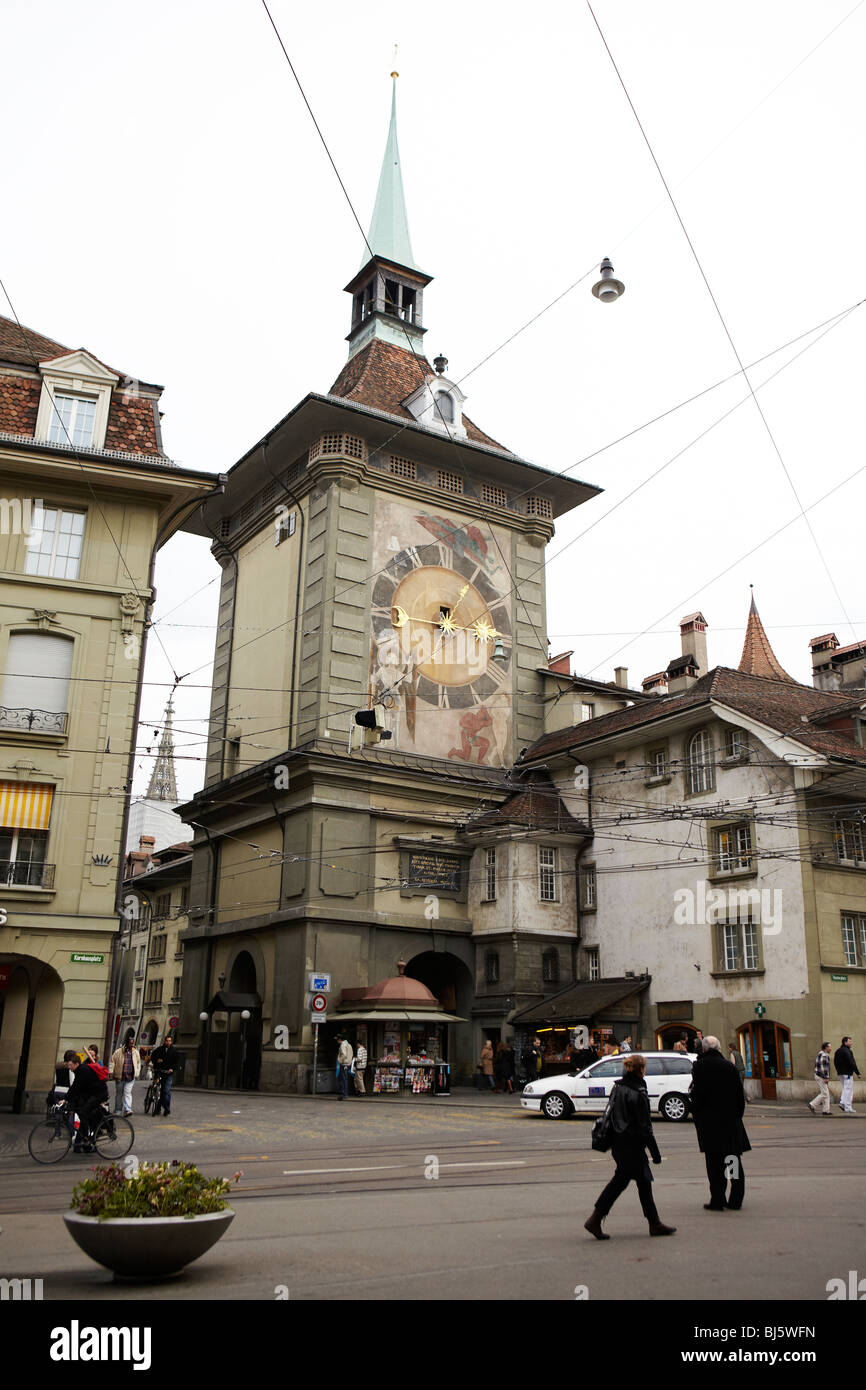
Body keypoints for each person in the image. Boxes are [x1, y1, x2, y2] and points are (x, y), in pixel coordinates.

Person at [584, 1053, 676, 1240]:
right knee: (623, 1182)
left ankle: (653, 1223)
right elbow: (645, 1127)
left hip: (619, 1142)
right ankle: (595, 1219)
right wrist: (656, 1153)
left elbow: (610, 1113)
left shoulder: (619, 1087)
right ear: (641, 1069)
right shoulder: (639, 1092)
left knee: (640, 1183)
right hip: (633, 1145)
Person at [688, 1035, 750, 1210]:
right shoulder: (729, 1066)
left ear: (705, 1049)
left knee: (714, 1164)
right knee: (733, 1161)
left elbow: (698, 1094)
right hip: (730, 1122)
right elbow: (739, 1095)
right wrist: (737, 1115)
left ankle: (718, 1199)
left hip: (710, 1123)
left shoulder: (700, 1066)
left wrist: (695, 1111)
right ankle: (736, 1199)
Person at [64, 1052, 109, 1152]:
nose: (69, 1067)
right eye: (68, 1065)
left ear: (76, 1064)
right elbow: (78, 1089)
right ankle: (84, 1141)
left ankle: (87, 1138)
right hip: (92, 1093)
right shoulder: (79, 1070)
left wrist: (66, 1098)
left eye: (70, 1065)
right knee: (83, 1114)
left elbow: (75, 1087)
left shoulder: (82, 1071)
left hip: (99, 1093)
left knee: (84, 1111)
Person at [110, 1029, 141, 1116]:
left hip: (130, 1077)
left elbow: (138, 1063)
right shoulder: (119, 1052)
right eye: (130, 1043)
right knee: (119, 1094)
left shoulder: (135, 1052)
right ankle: (118, 1110)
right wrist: (111, 1072)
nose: (132, 1045)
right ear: (126, 1042)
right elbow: (113, 1061)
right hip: (120, 1076)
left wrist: (137, 1072)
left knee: (127, 1092)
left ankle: (128, 1109)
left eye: (133, 1043)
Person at [151, 1034, 178, 1116]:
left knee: (166, 1091)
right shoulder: (159, 1049)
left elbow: (176, 1062)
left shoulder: (174, 1051)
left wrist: (172, 1069)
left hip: (168, 1073)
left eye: (169, 1041)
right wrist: (156, 1060)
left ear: (171, 1041)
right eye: (167, 1041)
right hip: (159, 1071)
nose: (168, 1042)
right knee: (157, 1089)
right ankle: (157, 1107)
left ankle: (166, 1108)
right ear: (164, 1041)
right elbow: (153, 1057)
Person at [833, 1035, 860, 1115]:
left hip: (841, 1073)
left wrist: (838, 1070)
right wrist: (857, 1072)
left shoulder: (837, 1051)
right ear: (845, 1042)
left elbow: (835, 1062)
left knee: (846, 1088)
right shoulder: (847, 1051)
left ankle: (847, 1107)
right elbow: (852, 1062)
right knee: (848, 1089)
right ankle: (843, 1103)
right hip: (847, 1073)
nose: (851, 1043)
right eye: (850, 1041)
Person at [809, 1041, 833, 1116]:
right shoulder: (824, 1055)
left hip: (819, 1075)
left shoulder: (821, 1053)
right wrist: (825, 1077)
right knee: (825, 1093)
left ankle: (826, 1110)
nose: (831, 1048)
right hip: (821, 1076)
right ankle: (812, 1104)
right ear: (826, 1048)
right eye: (830, 1047)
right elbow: (823, 1068)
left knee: (826, 1093)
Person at [336, 1034, 353, 1100]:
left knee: (342, 1080)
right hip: (348, 1064)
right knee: (345, 1079)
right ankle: (345, 1094)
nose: (337, 1041)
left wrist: (339, 1060)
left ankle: (344, 1094)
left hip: (343, 1064)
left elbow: (344, 1055)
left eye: (337, 1040)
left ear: (339, 1039)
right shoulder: (349, 1045)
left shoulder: (343, 1045)